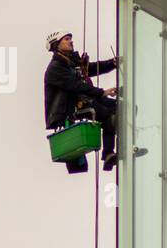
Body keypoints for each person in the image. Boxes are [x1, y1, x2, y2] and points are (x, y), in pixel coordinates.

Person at [43, 30, 119, 171]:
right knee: (107, 114)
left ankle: (110, 154)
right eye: (66, 39)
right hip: (71, 108)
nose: (71, 41)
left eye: (70, 38)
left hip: (84, 100)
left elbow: (92, 68)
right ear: (56, 45)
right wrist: (102, 92)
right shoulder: (56, 68)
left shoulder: (71, 64)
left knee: (118, 107)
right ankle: (108, 153)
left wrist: (113, 63)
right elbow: (76, 86)